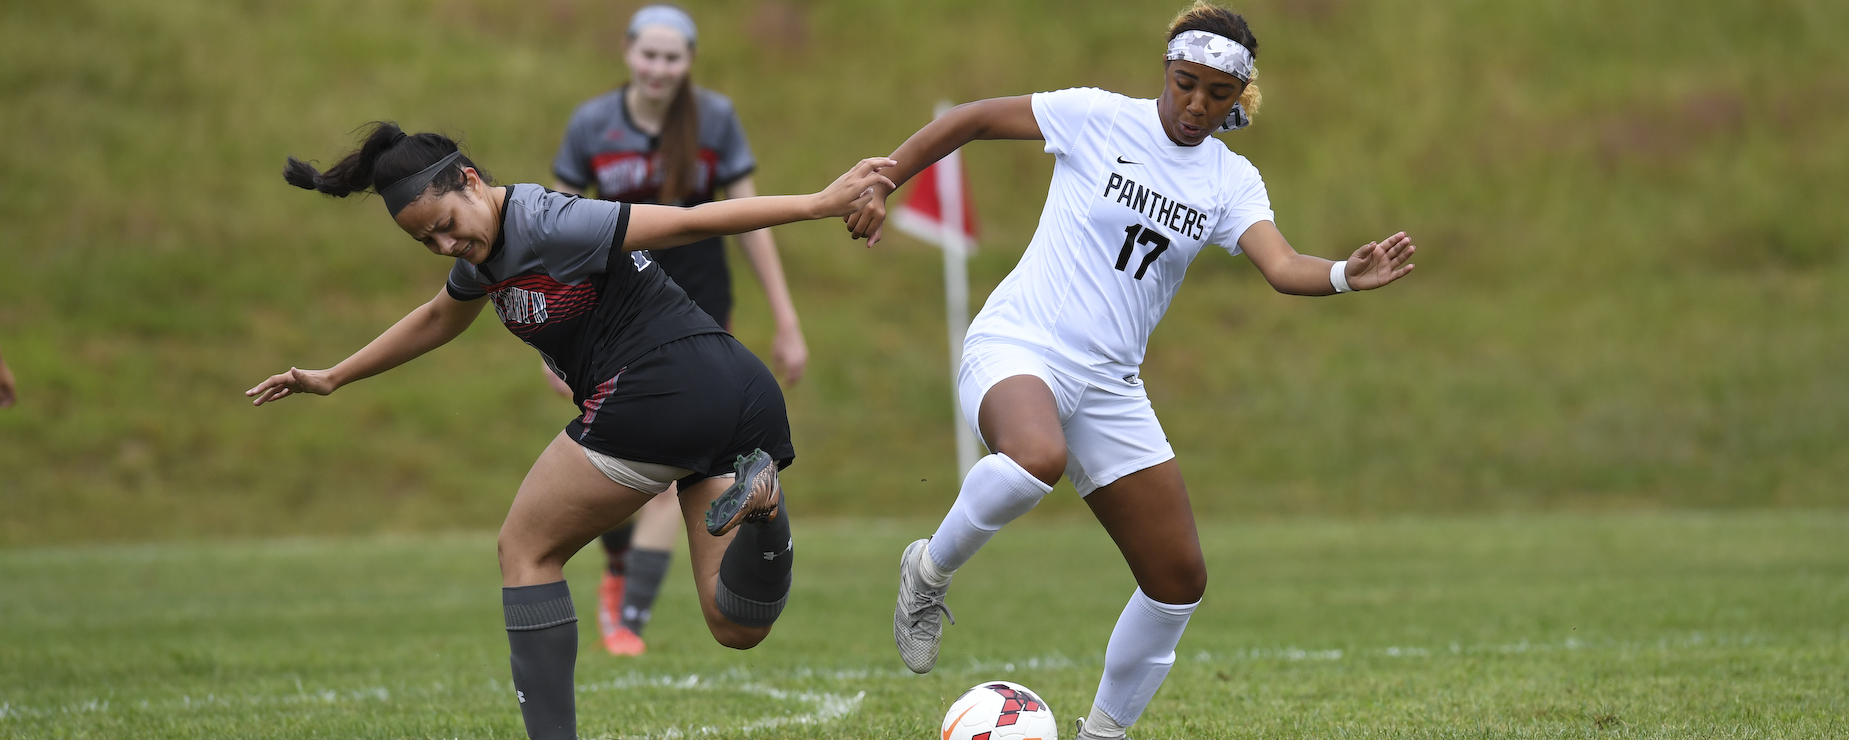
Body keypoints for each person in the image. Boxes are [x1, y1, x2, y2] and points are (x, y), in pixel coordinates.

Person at [844, 4, 1417, 739]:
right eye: (1186, 84)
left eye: (1218, 93)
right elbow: (973, 119)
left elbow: (1281, 265)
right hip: (1020, 345)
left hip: (1110, 385)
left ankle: (1103, 734)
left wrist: (1342, 274)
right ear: (1166, 71)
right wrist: (885, 179)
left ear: (1238, 97)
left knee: (1178, 581)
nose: (1197, 104)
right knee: (1036, 457)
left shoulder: (1230, 180)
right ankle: (928, 572)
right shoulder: (1098, 117)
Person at [248, 121, 891, 740]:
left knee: (525, 549)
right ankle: (765, 508)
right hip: (735, 391)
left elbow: (689, 221)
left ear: (470, 180)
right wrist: (334, 376)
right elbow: (438, 317)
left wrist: (817, 204)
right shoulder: (482, 257)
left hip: (659, 388)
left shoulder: (550, 221)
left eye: (444, 225)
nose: (444, 245)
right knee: (736, 624)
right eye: (426, 242)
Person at [547, 4, 809, 658]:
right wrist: (552, 342)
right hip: (611, 319)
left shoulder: (714, 120)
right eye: (649, 54)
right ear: (628, 52)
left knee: (672, 470)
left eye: (672, 57)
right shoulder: (592, 125)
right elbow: (552, 234)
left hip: (697, 315)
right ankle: (619, 573)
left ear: (689, 62)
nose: (659, 68)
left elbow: (750, 218)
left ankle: (627, 620)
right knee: (613, 461)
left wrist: (786, 317)